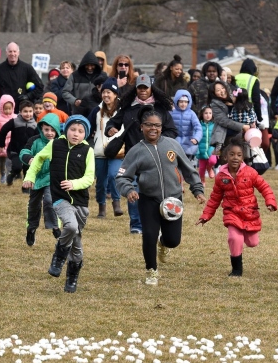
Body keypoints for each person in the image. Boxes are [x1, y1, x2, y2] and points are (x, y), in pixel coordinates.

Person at [116, 108, 206, 286]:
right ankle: (151, 271)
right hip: (148, 199)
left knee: (173, 240)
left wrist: (197, 189)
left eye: (157, 125)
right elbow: (122, 176)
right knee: (148, 235)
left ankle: (163, 243)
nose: (153, 128)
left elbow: (188, 169)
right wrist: (129, 190)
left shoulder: (172, 145)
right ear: (142, 127)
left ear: (161, 127)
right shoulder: (136, 151)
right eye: (149, 125)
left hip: (173, 200)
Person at [23, 115, 96, 293]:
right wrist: (30, 177)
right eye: (73, 130)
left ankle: (72, 277)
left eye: (80, 131)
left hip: (80, 202)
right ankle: (59, 254)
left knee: (77, 244)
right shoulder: (55, 145)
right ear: (65, 130)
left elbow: (89, 178)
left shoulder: (88, 151)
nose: (76, 134)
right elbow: (38, 158)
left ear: (85, 134)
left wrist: (74, 184)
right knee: (70, 227)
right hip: (60, 198)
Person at [105, 73, 177, 234]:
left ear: (151, 88)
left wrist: (161, 141)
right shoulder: (128, 108)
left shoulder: (160, 109)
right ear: (136, 89)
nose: (143, 90)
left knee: (155, 191)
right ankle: (136, 225)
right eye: (140, 88)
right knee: (133, 189)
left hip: (156, 157)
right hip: (133, 156)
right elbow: (112, 122)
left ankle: (155, 222)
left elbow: (172, 130)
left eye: (146, 87)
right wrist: (110, 128)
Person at [198, 137, 277, 277]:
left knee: (253, 243)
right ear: (225, 157)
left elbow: (264, 187)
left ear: (243, 157)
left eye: (239, 155)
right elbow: (214, 198)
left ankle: (245, 236)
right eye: (232, 154)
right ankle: (236, 270)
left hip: (249, 213)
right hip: (232, 212)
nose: (235, 158)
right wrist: (206, 216)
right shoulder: (221, 176)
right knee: (235, 238)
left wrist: (270, 202)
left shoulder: (250, 172)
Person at [20, 113, 61, 244]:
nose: (49, 133)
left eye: (52, 130)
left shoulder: (60, 143)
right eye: (46, 130)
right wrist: (29, 159)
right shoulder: (34, 141)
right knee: (34, 206)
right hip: (36, 178)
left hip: (52, 178)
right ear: (41, 129)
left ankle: (55, 227)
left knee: (50, 200)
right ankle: (31, 229)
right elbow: (23, 152)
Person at [87, 79, 124, 218]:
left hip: (117, 151)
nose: (105, 95)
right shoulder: (97, 110)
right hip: (100, 150)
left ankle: (116, 203)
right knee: (101, 182)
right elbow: (88, 126)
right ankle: (101, 207)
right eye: (103, 92)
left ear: (115, 94)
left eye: (109, 92)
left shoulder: (122, 109)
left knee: (114, 175)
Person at [0, 42, 44, 110]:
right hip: (5, 110)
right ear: (6, 53)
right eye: (10, 51)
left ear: (18, 52)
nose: (12, 54)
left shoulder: (27, 68)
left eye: (14, 51)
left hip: (22, 110)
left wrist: (28, 96)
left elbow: (40, 87)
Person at [0, 99, 37, 186]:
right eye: (25, 111)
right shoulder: (15, 122)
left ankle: (26, 187)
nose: (28, 114)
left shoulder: (35, 125)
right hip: (15, 150)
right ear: (20, 112)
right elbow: (3, 131)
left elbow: (38, 139)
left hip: (28, 152)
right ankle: (11, 175)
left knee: (28, 169)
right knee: (17, 167)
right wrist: (1, 144)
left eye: (30, 111)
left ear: (33, 112)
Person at [67, 51, 106, 116]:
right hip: (78, 110)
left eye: (92, 65)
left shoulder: (103, 75)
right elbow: (66, 92)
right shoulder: (75, 75)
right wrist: (74, 100)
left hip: (98, 110)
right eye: (87, 65)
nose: (90, 68)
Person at [171, 89, 202, 165]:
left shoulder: (191, 114)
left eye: (185, 102)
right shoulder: (171, 113)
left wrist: (196, 138)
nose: (183, 104)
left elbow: (198, 128)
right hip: (174, 143)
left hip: (188, 144)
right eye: (181, 102)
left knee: (187, 166)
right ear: (177, 101)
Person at [0, 95, 17, 183]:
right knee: (1, 162)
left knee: (9, 161)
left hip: (11, 143)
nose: (8, 111)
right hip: (0, 142)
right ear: (2, 108)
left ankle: (9, 175)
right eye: (6, 109)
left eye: (10, 108)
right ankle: (2, 174)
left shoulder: (15, 117)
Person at [196, 105, 217, 182]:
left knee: (213, 161)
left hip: (212, 148)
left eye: (210, 113)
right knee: (201, 168)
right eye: (206, 113)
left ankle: (209, 168)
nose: (208, 115)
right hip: (202, 149)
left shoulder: (215, 125)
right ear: (202, 114)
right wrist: (197, 149)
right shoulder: (198, 125)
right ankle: (202, 180)